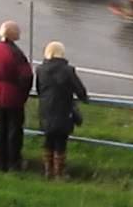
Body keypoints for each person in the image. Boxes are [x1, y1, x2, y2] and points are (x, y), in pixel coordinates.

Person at [0, 20, 34, 172]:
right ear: (13, 34)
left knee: (1, 129)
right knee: (14, 131)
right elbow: (26, 77)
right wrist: (23, 93)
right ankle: (13, 162)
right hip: (15, 97)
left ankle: (1, 162)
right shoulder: (16, 53)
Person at [35, 41, 89, 180]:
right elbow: (80, 91)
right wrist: (84, 98)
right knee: (61, 142)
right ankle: (59, 173)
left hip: (46, 109)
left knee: (48, 140)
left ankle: (48, 171)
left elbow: (39, 89)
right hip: (63, 110)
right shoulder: (68, 70)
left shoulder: (40, 69)